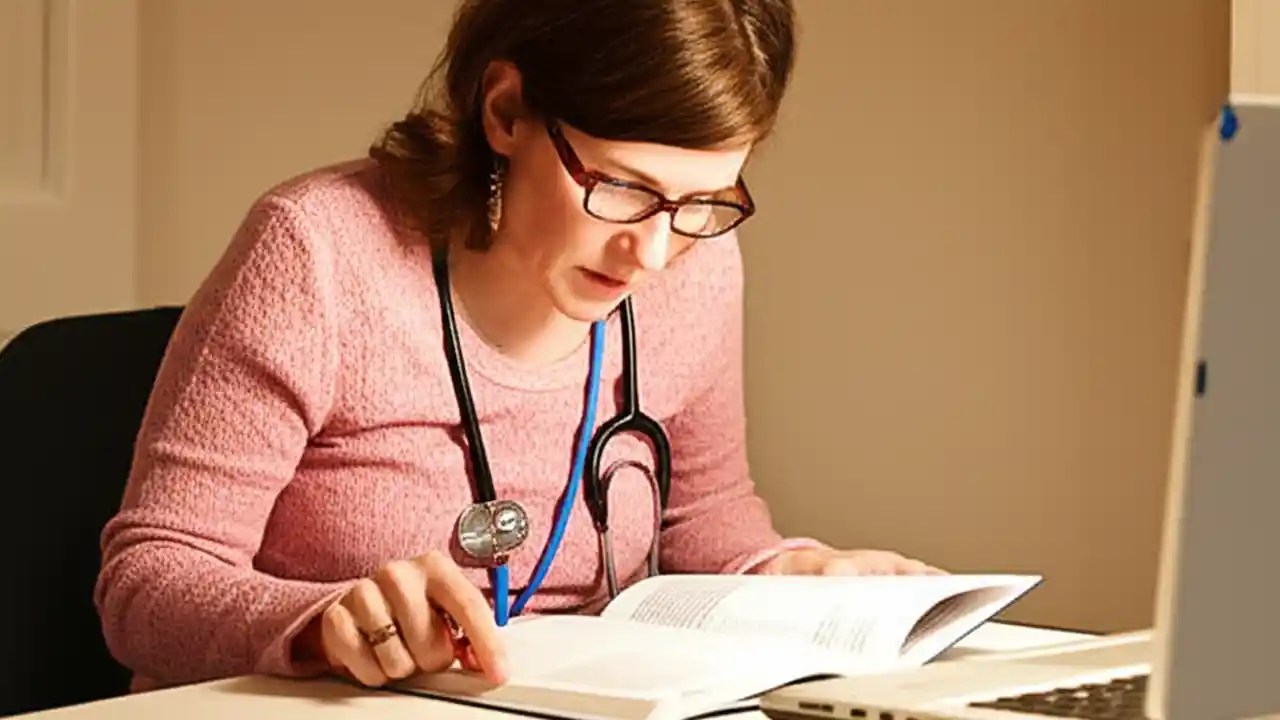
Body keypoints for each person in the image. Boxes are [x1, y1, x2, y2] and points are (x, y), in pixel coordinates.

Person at [94, 0, 941, 695]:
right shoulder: (317, 252)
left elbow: (706, 522)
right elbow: (146, 584)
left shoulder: (699, 262)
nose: (652, 254)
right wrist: (325, 624)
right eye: (623, 189)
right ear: (505, 110)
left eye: (705, 201)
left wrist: (790, 572)